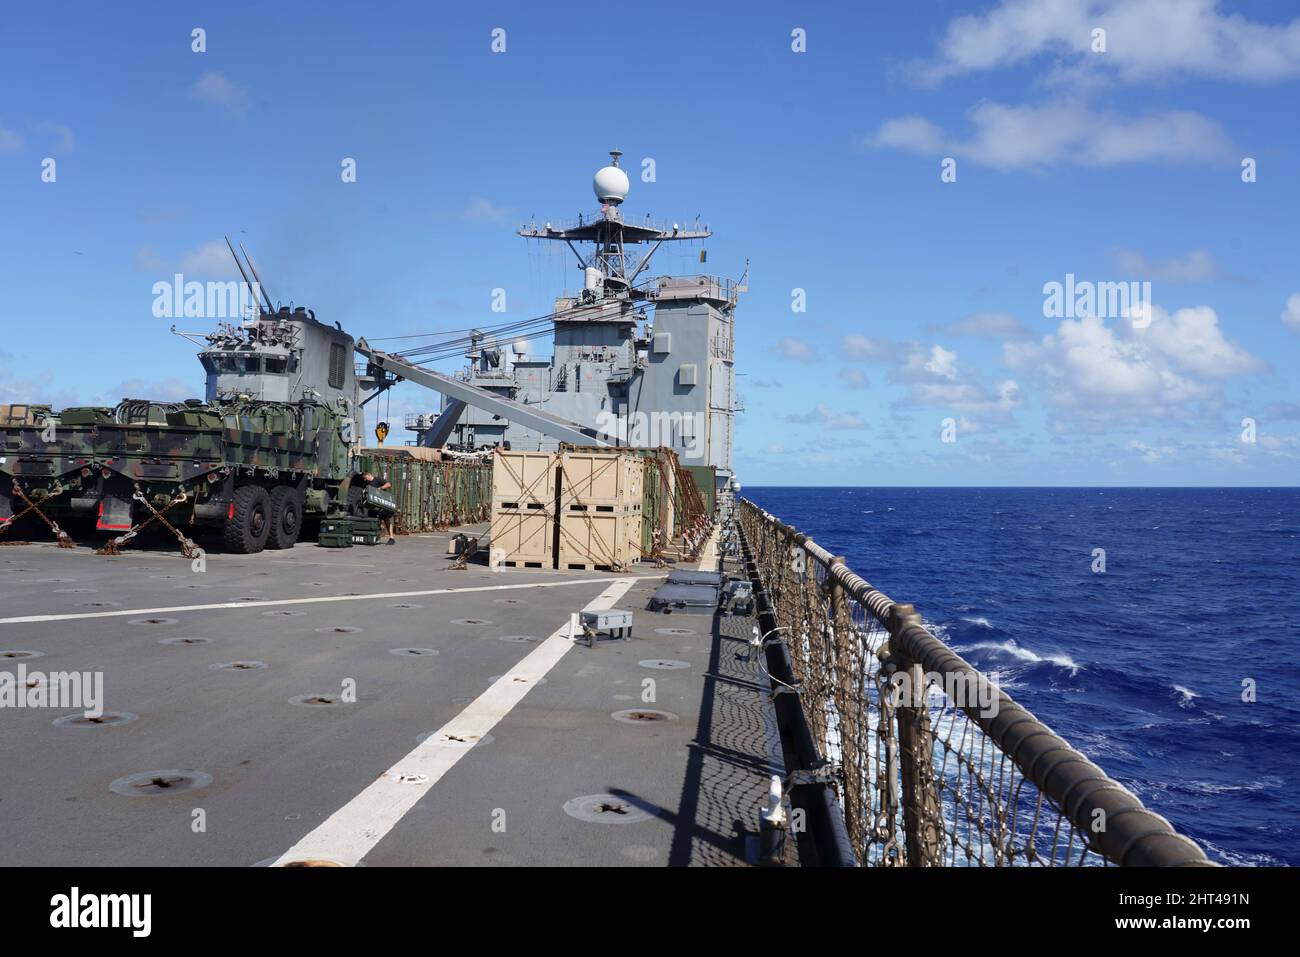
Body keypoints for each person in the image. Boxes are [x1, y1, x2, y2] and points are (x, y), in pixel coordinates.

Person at [358, 471, 396, 545]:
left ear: (369, 475)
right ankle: (375, 538)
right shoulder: (367, 484)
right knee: (373, 521)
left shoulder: (377, 479)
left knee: (386, 520)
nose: (365, 480)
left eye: (365, 478)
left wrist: (380, 488)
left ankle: (391, 538)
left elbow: (388, 484)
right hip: (372, 505)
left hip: (381, 503)